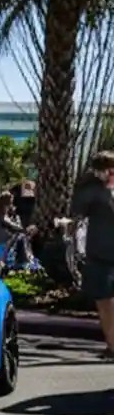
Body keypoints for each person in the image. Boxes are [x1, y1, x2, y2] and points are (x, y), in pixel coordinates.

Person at [70, 151, 114, 359]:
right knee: (104, 301)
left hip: (102, 252)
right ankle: (112, 345)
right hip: (100, 253)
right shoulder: (93, 191)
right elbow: (77, 208)